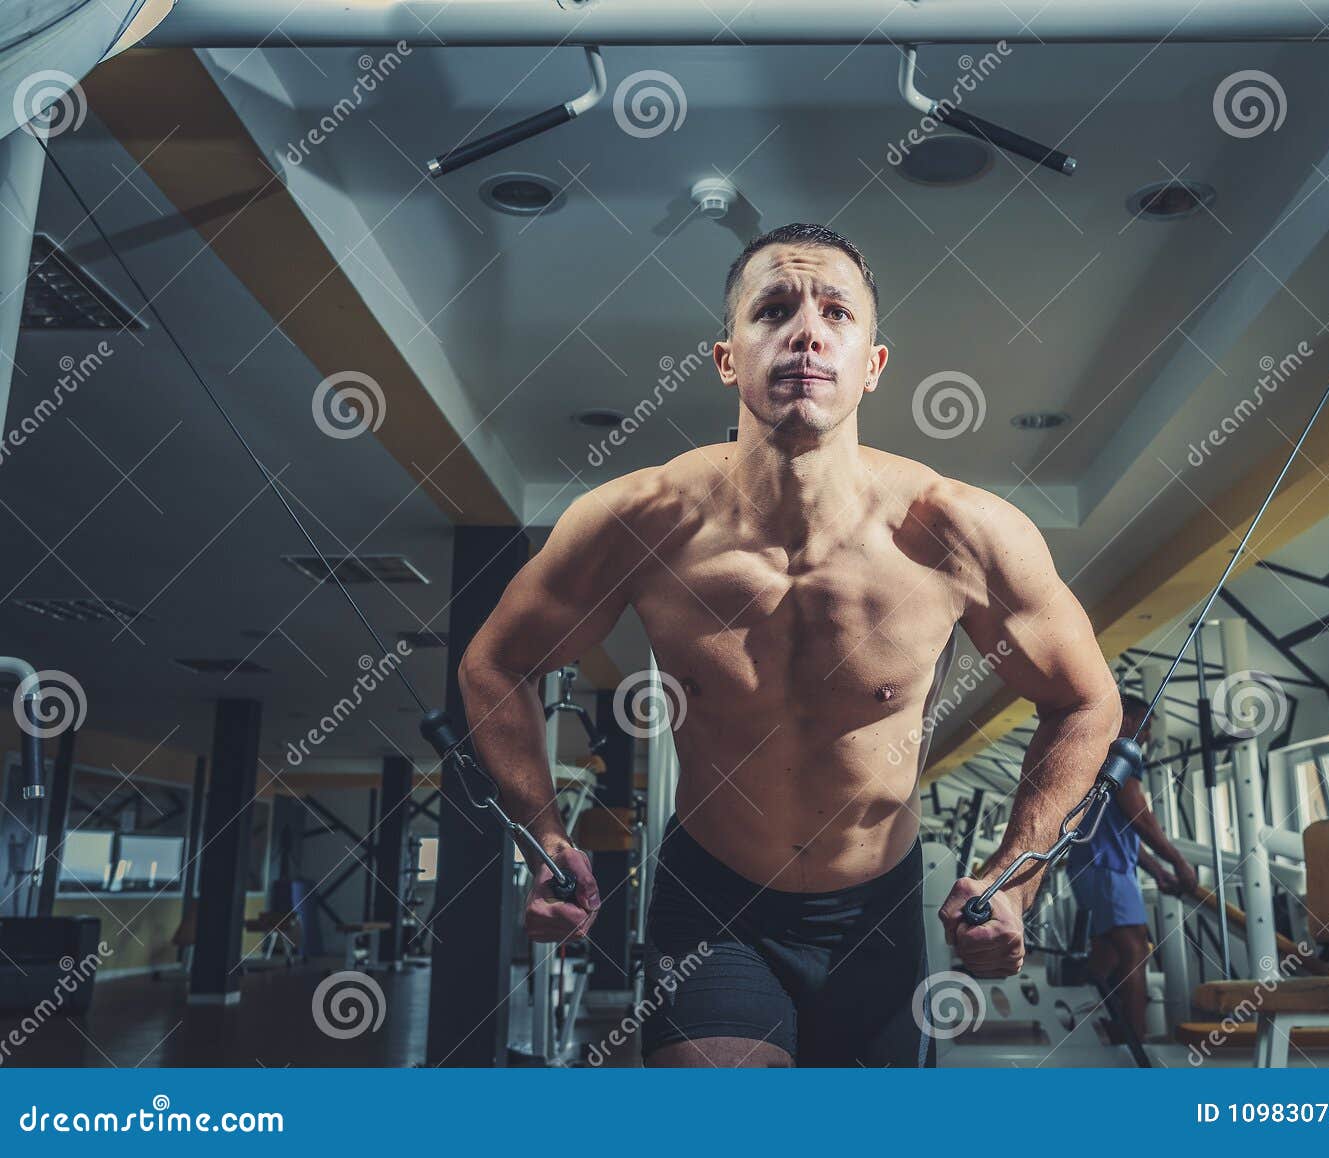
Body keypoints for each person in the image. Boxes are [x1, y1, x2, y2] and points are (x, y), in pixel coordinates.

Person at [458, 222, 1120, 1067]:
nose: (807, 330)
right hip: (715, 902)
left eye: (837, 312)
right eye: (774, 308)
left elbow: (1086, 699)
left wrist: (1016, 878)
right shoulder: (639, 522)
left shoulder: (957, 533)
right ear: (728, 357)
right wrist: (545, 836)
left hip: (875, 909)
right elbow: (495, 663)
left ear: (871, 366)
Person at [1064, 691, 1196, 1042]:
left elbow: (1122, 833)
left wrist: (1158, 872)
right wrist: (1179, 861)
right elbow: (1140, 818)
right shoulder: (1120, 755)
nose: (1149, 736)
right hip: (1104, 867)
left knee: (1106, 955)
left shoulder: (1098, 757)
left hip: (1101, 865)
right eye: (1147, 725)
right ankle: (1134, 1044)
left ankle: (1079, 1026)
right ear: (1129, 719)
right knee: (1135, 947)